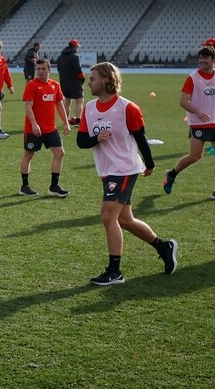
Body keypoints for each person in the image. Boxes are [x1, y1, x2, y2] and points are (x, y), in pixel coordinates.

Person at [76, 62, 178, 286]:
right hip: (106, 171)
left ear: (106, 79)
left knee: (107, 215)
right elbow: (81, 141)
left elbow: (141, 138)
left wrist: (149, 164)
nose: (88, 82)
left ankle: (115, 272)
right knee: (125, 219)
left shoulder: (127, 107)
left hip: (124, 169)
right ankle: (164, 246)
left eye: (92, 78)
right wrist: (97, 138)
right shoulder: (90, 108)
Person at [162, 46, 215, 201]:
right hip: (199, 124)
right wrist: (198, 112)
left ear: (213, 60)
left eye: (205, 58)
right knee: (195, 156)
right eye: (200, 58)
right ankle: (171, 174)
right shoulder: (193, 78)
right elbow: (183, 101)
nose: (201, 61)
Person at [18, 59, 71, 197]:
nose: (41, 71)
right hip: (33, 129)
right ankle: (24, 186)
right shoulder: (32, 85)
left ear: (49, 70)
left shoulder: (55, 85)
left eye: (43, 69)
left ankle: (54, 186)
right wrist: (34, 123)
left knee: (59, 153)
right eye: (39, 69)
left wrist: (66, 122)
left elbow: (59, 105)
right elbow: (28, 106)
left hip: (50, 128)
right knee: (28, 155)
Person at [56, 39, 85, 126]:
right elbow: (78, 70)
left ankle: (66, 121)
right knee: (79, 101)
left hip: (64, 83)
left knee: (67, 102)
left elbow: (58, 70)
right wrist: (82, 79)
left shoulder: (60, 57)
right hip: (75, 83)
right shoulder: (74, 57)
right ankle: (78, 121)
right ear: (75, 46)